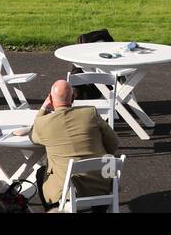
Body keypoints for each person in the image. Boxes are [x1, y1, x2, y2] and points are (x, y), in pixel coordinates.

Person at [29, 79, 121, 207]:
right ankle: (101, 208)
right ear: (73, 97)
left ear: (50, 98)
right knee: (107, 164)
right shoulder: (90, 113)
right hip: (101, 182)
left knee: (41, 174)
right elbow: (114, 142)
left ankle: (53, 210)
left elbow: (33, 136)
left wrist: (44, 107)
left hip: (70, 188)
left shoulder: (43, 124)